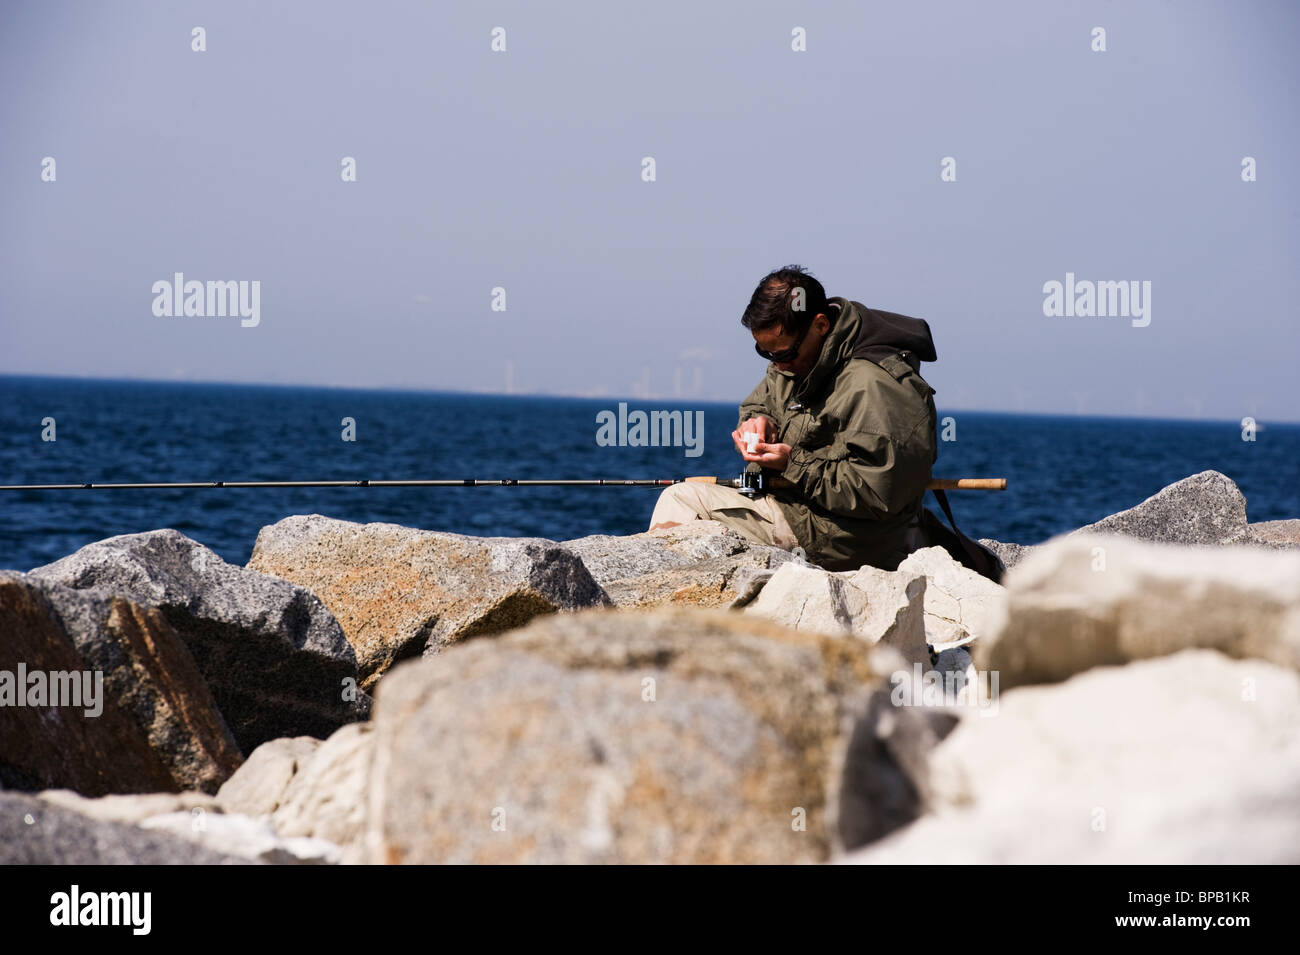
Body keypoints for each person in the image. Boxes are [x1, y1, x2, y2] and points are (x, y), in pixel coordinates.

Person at [648, 264, 939, 572]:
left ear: (821, 325)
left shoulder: (875, 385)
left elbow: (878, 494)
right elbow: (761, 402)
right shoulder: (798, 357)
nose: (778, 365)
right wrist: (757, 424)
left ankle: (664, 612)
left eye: (783, 354)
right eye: (766, 354)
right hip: (799, 511)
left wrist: (792, 464)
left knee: (681, 499)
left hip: (845, 538)